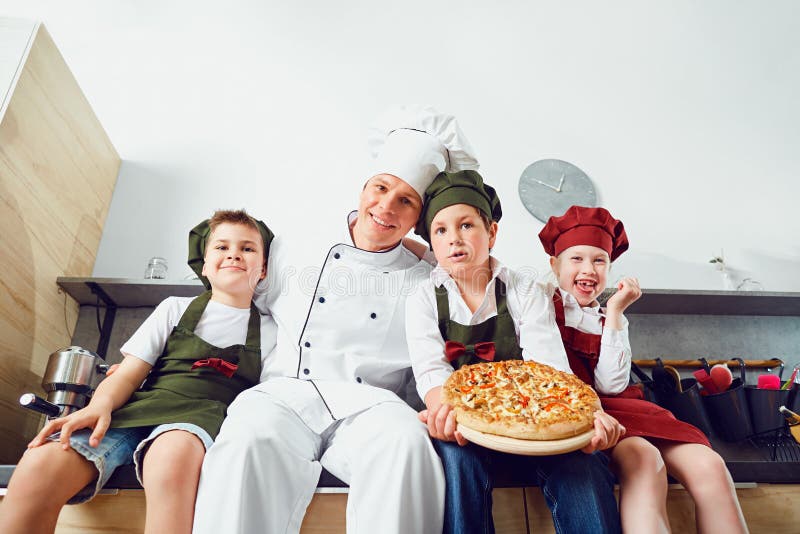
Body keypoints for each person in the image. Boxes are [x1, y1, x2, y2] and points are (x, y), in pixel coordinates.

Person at [193, 106, 478, 534]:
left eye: (406, 201)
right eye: (380, 188)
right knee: (245, 442)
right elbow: (244, 303)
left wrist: (435, 253)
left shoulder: (429, 281)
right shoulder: (297, 241)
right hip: (285, 394)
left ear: (418, 219)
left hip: (372, 407)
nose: (385, 207)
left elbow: (483, 287)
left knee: (406, 445)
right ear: (363, 187)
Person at [0, 210, 277, 534]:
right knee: (39, 465)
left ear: (263, 270)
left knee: (170, 459)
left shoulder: (272, 330)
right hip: (138, 408)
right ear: (204, 265)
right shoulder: (175, 307)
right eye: (221, 247)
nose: (233, 254)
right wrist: (99, 406)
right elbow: (129, 373)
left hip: (199, 418)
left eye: (247, 248)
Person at [406, 170, 624, 534]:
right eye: (440, 230)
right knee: (457, 461)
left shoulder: (522, 289)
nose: (454, 239)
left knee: (581, 463)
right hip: (462, 423)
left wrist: (593, 415)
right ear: (431, 242)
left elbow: (550, 367)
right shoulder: (423, 298)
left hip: (534, 416)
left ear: (491, 232)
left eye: (466, 225)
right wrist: (442, 407)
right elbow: (430, 370)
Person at [539, 205, 748, 534]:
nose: (588, 269)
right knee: (646, 461)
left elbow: (612, 383)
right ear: (555, 264)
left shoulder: (612, 317)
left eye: (599, 260)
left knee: (711, 466)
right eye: (576, 259)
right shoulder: (538, 305)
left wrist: (616, 313)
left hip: (631, 407)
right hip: (592, 414)